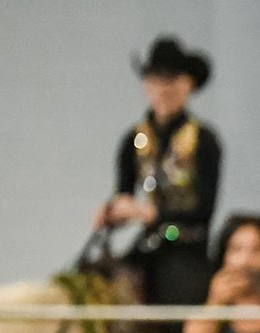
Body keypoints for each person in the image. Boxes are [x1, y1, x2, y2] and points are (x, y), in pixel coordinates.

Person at [92, 35, 223, 308]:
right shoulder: (134, 139)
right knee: (97, 288)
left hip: (186, 246)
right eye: (155, 80)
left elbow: (204, 208)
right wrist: (112, 212)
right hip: (147, 245)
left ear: (189, 84)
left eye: (172, 80)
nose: (163, 89)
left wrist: (151, 213)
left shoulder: (203, 139)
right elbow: (124, 193)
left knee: (179, 304)